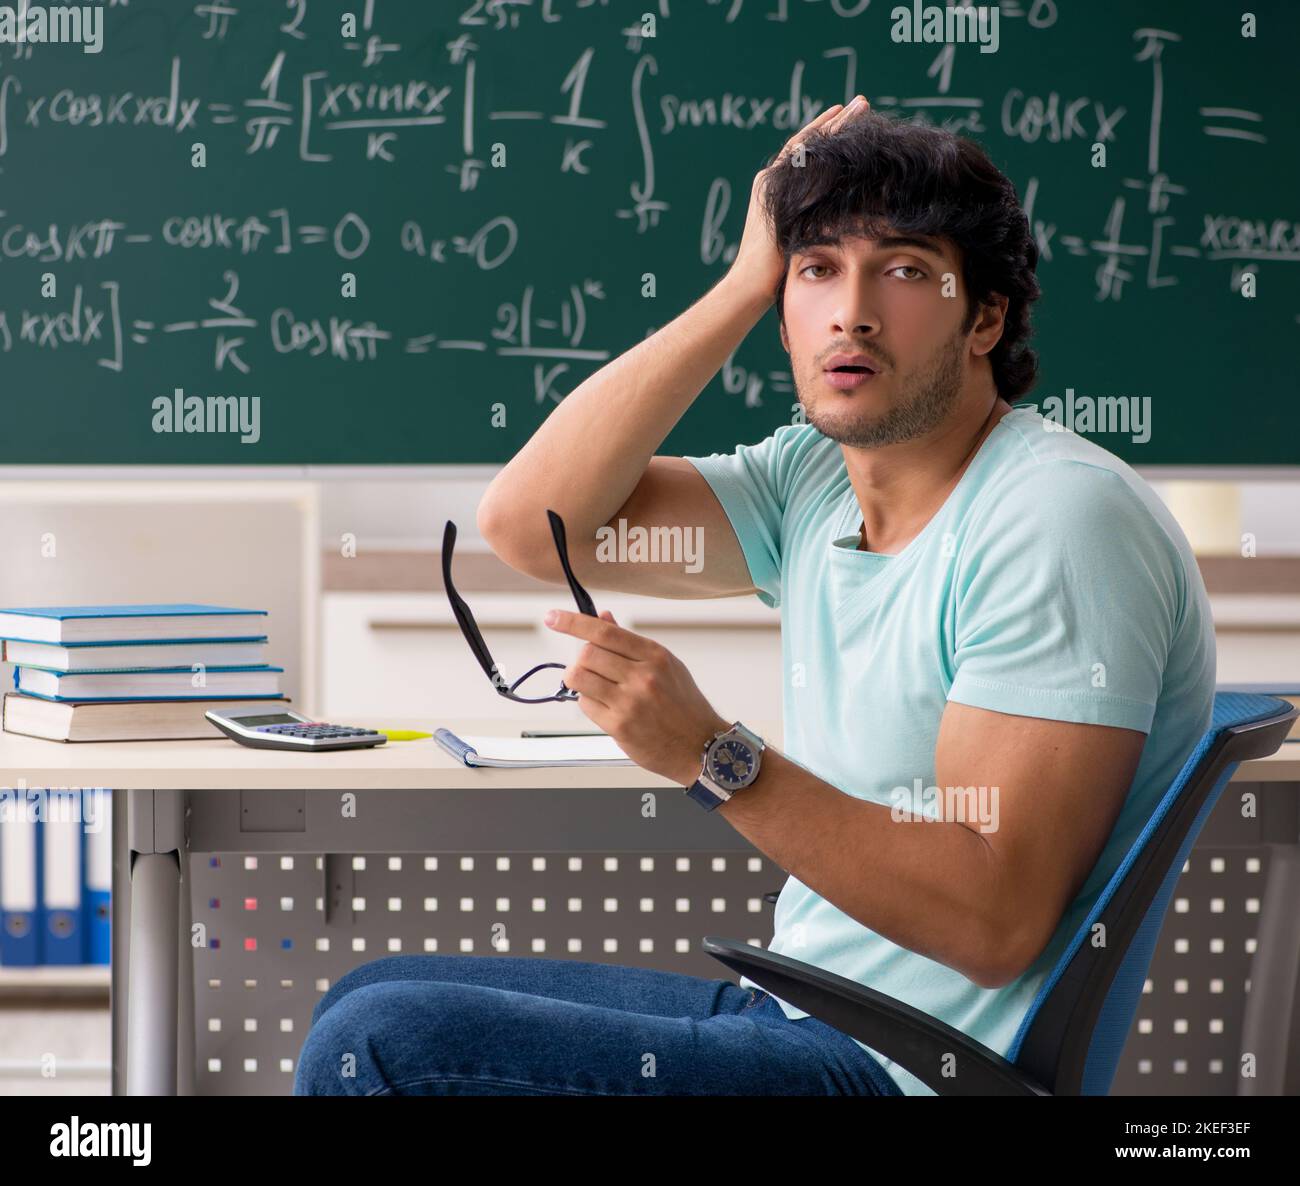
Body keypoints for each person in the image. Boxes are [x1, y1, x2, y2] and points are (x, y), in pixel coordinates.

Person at [294, 97, 1215, 1097]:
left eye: (905, 270)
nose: (851, 312)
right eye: (816, 269)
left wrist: (711, 754)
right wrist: (742, 284)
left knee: (376, 1043)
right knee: (365, 992)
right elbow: (529, 523)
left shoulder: (1057, 519)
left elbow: (992, 924)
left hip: (906, 1067)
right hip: (805, 1008)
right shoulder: (813, 480)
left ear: (983, 316)